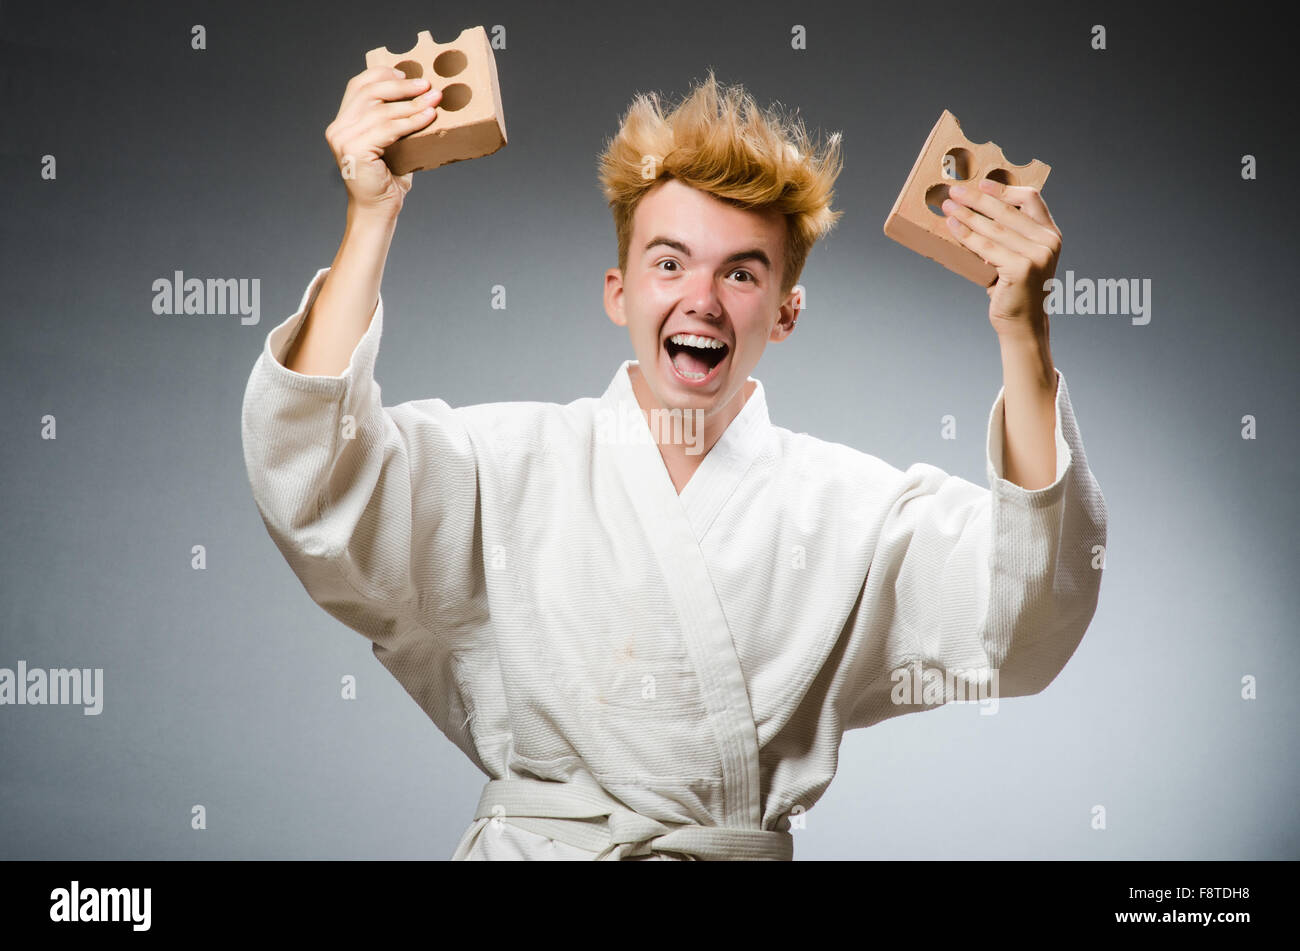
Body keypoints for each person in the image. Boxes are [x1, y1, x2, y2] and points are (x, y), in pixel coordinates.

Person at [240, 66, 1107, 860]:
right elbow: (318, 477)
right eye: (668, 263)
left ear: (786, 310)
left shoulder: (852, 513)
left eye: (741, 274)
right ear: (619, 290)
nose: (701, 299)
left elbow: (1021, 615)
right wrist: (371, 213)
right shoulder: (503, 464)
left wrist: (1021, 328)